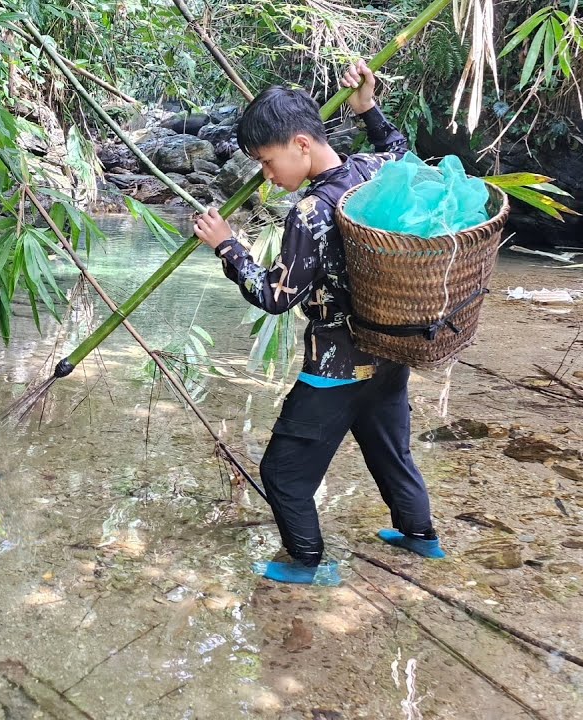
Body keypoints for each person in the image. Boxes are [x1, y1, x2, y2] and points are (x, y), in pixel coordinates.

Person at [192, 61, 445, 585]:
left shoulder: (309, 212)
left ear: (301, 144)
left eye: (267, 161)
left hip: (336, 364)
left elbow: (277, 296)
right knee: (389, 452)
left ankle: (307, 565)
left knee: (282, 474)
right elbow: (405, 155)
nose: (267, 175)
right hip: (391, 350)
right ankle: (421, 539)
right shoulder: (373, 172)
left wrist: (228, 246)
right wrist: (368, 108)